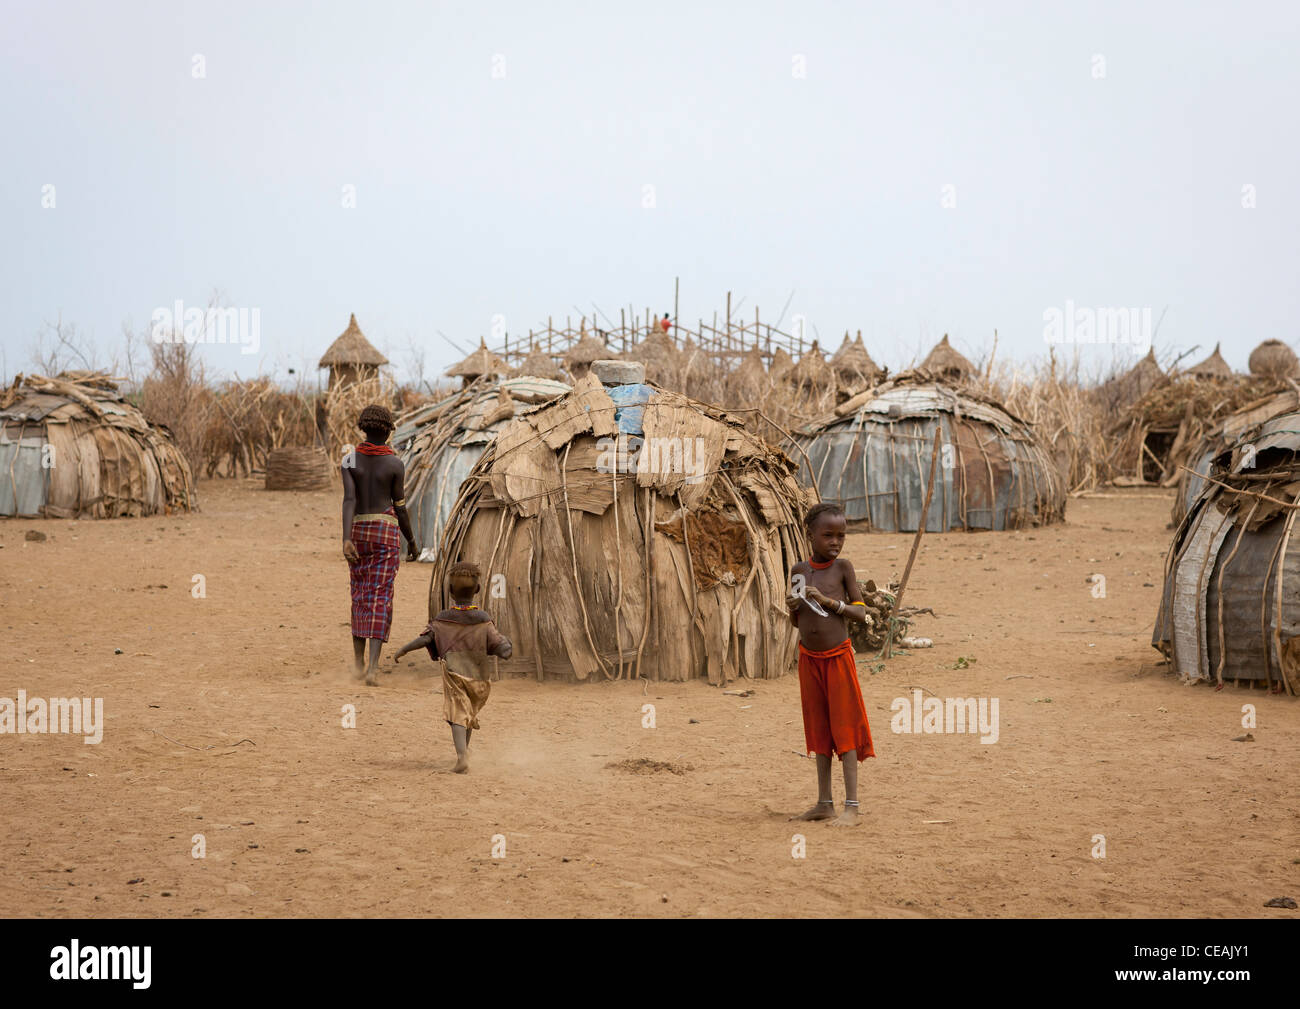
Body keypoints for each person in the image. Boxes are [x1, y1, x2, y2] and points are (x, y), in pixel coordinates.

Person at [785, 502, 875, 826]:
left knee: (845, 729)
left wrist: (829, 602)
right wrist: (794, 607)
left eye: (841, 536)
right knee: (820, 730)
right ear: (810, 535)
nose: (835, 542)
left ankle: (851, 805)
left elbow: (860, 612)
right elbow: (798, 622)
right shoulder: (798, 571)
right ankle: (825, 802)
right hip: (809, 660)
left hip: (838, 659)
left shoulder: (843, 569)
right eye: (828, 536)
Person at [393, 562, 512, 773]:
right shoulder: (484, 621)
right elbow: (500, 645)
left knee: (457, 714)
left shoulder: (443, 620)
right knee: (467, 713)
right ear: (477, 590)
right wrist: (506, 648)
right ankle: (465, 750)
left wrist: (403, 649)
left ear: (449, 591)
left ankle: (461, 757)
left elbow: (425, 638)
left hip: (456, 676)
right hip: (480, 680)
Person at [342, 403, 418, 686]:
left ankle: (358, 663)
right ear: (388, 431)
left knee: (359, 594)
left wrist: (346, 538)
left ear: (363, 429)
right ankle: (373, 668)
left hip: (359, 532)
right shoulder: (395, 464)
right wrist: (410, 541)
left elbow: (349, 501)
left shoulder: (349, 461)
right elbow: (400, 508)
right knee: (380, 597)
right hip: (386, 534)